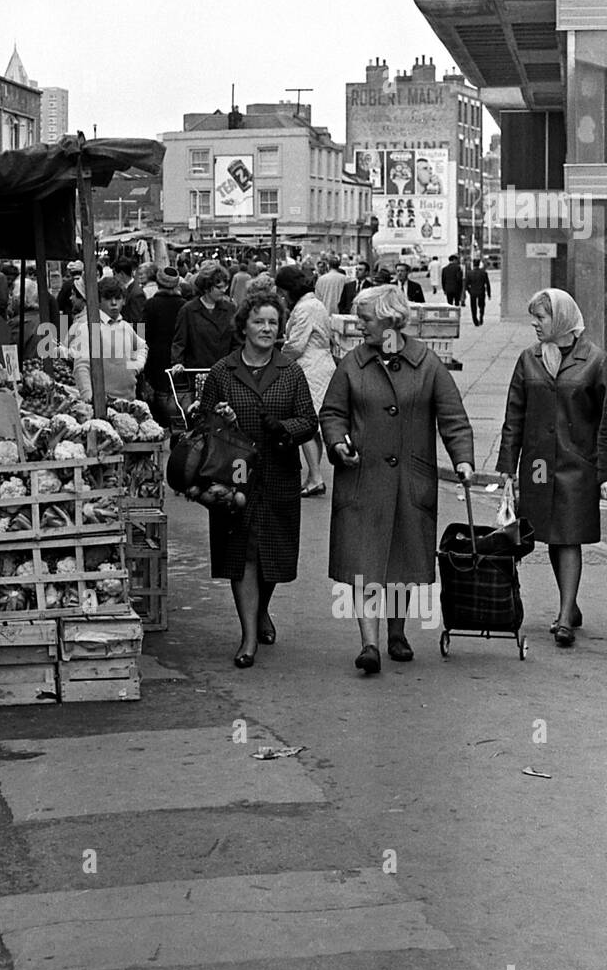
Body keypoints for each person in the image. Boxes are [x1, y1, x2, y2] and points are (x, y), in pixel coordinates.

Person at [320, 284, 474, 675]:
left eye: (366, 319)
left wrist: (464, 461)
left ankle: (397, 633)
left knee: (400, 558)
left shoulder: (427, 365)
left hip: (410, 477)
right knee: (364, 560)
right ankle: (369, 643)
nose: (359, 326)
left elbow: (453, 418)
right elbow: (332, 413)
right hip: (362, 478)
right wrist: (338, 444)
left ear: (390, 319)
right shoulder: (352, 365)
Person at [196, 290, 318, 667]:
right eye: (259, 322)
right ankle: (248, 636)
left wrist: (282, 428)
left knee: (273, 556)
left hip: (279, 475)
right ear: (244, 327)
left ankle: (262, 608)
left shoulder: (291, 371)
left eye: (272, 323)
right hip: (235, 478)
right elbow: (202, 425)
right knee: (243, 555)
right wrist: (223, 421)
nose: (267, 329)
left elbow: (308, 421)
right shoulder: (222, 371)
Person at [499, 290, 607, 648]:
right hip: (540, 464)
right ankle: (570, 604)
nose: (535, 324)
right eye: (533, 317)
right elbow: (514, 415)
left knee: (569, 535)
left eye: (541, 318)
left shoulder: (595, 362)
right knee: (549, 532)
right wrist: (507, 469)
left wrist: (603, 471)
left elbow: (605, 422)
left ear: (560, 319)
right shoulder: (528, 359)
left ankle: (563, 619)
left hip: (578, 465)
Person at [275, 264, 337, 497]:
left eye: (282, 292)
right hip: (320, 366)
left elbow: (297, 345)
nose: (281, 297)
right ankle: (313, 475)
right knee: (313, 426)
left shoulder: (305, 308)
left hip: (309, 370)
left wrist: (277, 357)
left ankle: (316, 477)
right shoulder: (314, 304)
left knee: (305, 425)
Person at [72, 277, 148, 403]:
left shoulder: (126, 327)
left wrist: (136, 366)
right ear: (99, 301)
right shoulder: (90, 328)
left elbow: (142, 347)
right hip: (103, 402)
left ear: (124, 301)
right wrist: (89, 398)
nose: (113, 303)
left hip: (129, 399)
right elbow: (81, 366)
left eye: (118, 298)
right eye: (108, 298)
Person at [171, 262, 236, 370]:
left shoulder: (230, 309)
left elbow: (237, 340)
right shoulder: (188, 310)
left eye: (225, 286)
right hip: (197, 371)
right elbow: (180, 341)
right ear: (206, 287)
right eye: (219, 287)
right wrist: (178, 362)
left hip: (225, 372)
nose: (224, 290)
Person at [143, 267, 185, 424]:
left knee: (160, 400)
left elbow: (142, 334)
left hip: (155, 360)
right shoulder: (184, 305)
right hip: (179, 361)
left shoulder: (150, 305)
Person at [465, 259, 492, 325]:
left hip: (473, 292)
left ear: (473, 264)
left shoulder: (469, 273)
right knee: (482, 305)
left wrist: (469, 291)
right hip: (481, 291)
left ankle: (475, 320)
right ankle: (481, 316)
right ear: (479, 264)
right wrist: (489, 294)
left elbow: (466, 285)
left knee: (473, 306)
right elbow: (487, 284)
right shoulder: (484, 273)